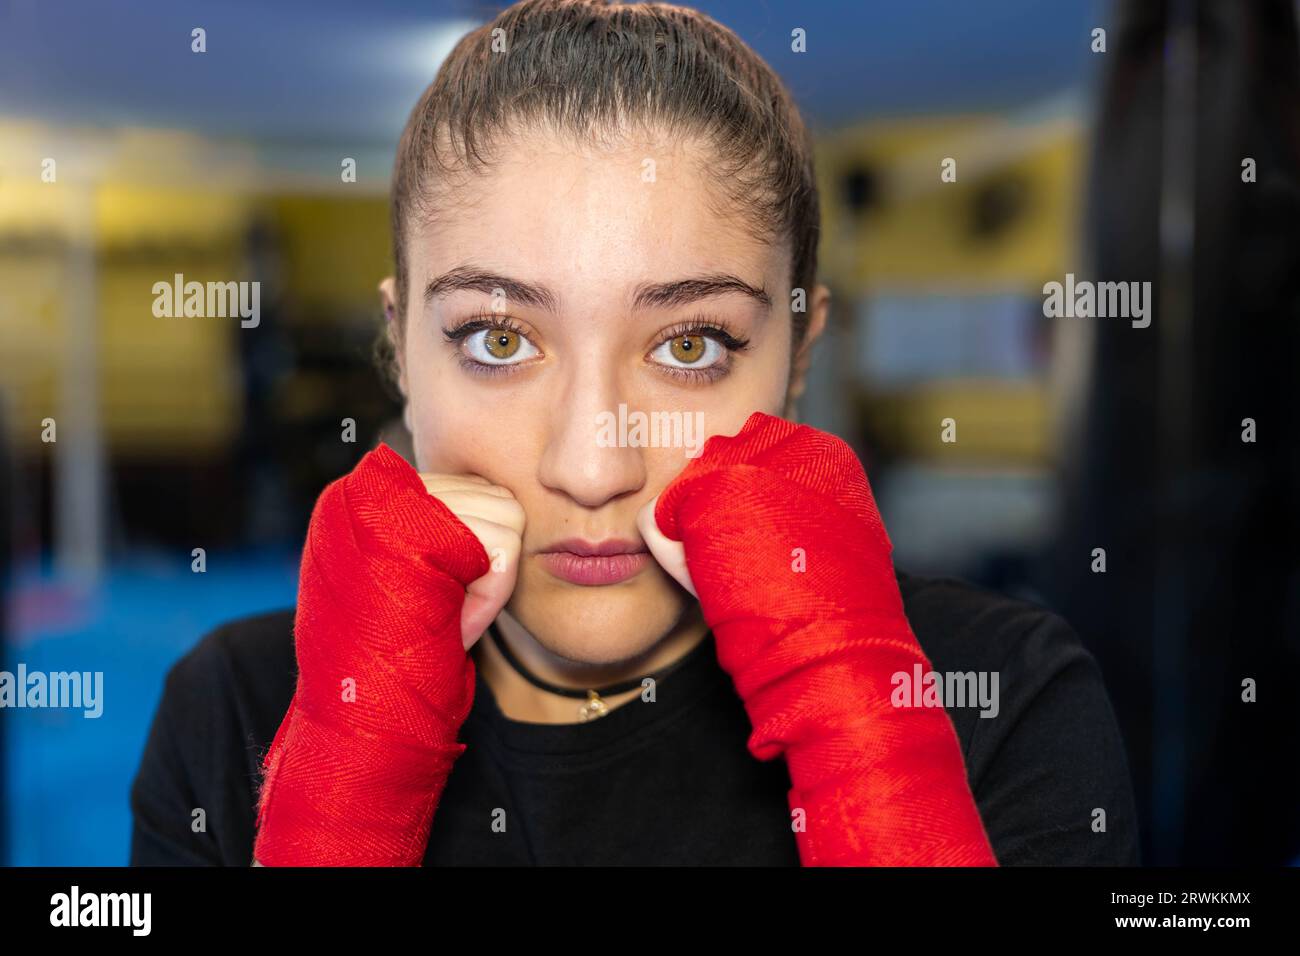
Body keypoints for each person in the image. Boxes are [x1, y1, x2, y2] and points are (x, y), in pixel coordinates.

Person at [129, 0, 1140, 867]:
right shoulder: (239, 707)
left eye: (690, 343)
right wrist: (345, 782)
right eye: (497, 336)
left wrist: (861, 733)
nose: (591, 464)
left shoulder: (1001, 695)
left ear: (797, 351)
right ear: (399, 346)